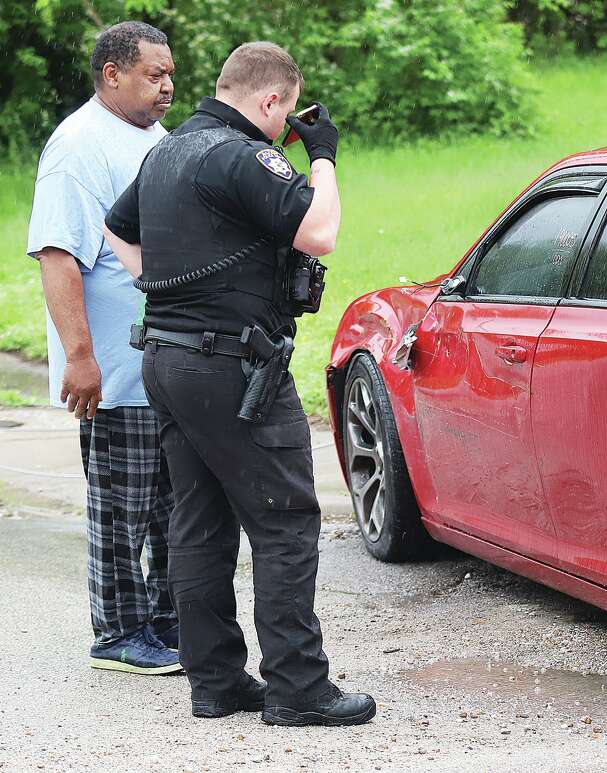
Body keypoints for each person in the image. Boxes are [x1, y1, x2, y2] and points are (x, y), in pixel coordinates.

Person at [102, 41, 376, 726]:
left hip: (166, 358)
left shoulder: (167, 151)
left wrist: (165, 291)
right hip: (232, 366)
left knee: (199, 521)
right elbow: (320, 231)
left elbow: (117, 229)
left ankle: (216, 680)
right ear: (271, 101)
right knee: (285, 520)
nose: (284, 126)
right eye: (284, 115)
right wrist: (324, 155)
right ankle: (298, 688)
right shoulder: (243, 154)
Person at [26, 21, 181, 675]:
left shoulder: (156, 137)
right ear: (111, 74)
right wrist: (81, 358)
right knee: (122, 506)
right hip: (115, 373)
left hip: (169, 367)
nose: (168, 85)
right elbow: (59, 256)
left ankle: (170, 623)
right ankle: (118, 632)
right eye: (154, 74)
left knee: (173, 506)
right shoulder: (79, 146)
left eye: (171, 73)